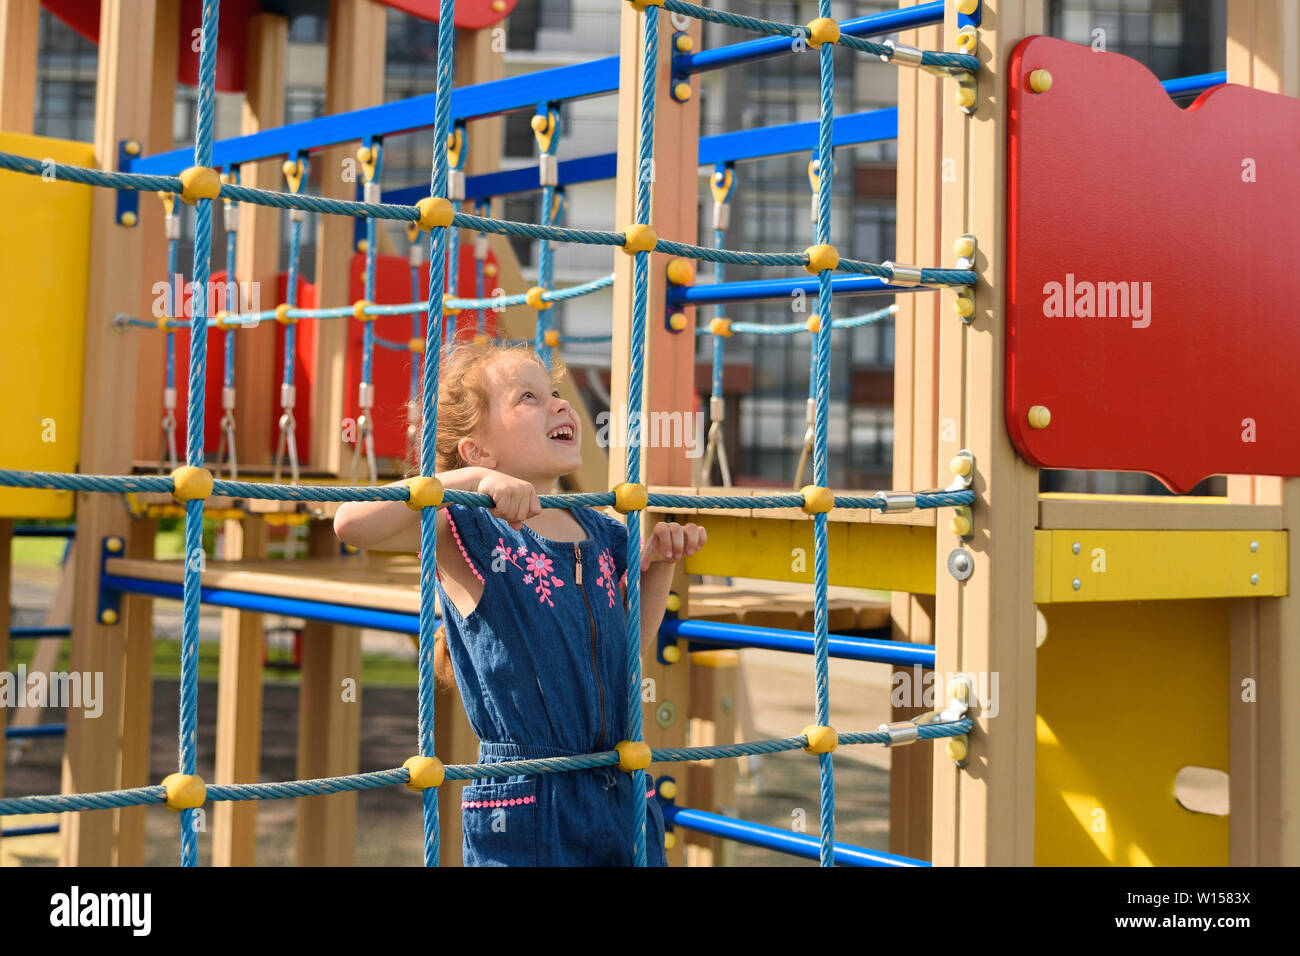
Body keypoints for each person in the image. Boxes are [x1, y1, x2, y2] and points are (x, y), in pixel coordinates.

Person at [334, 340, 706, 866]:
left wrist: (660, 565)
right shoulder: (470, 527)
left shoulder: (604, 532)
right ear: (478, 450)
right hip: (530, 802)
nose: (559, 404)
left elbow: (627, 649)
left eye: (555, 392)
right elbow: (351, 524)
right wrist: (466, 484)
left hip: (620, 784)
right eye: (528, 397)